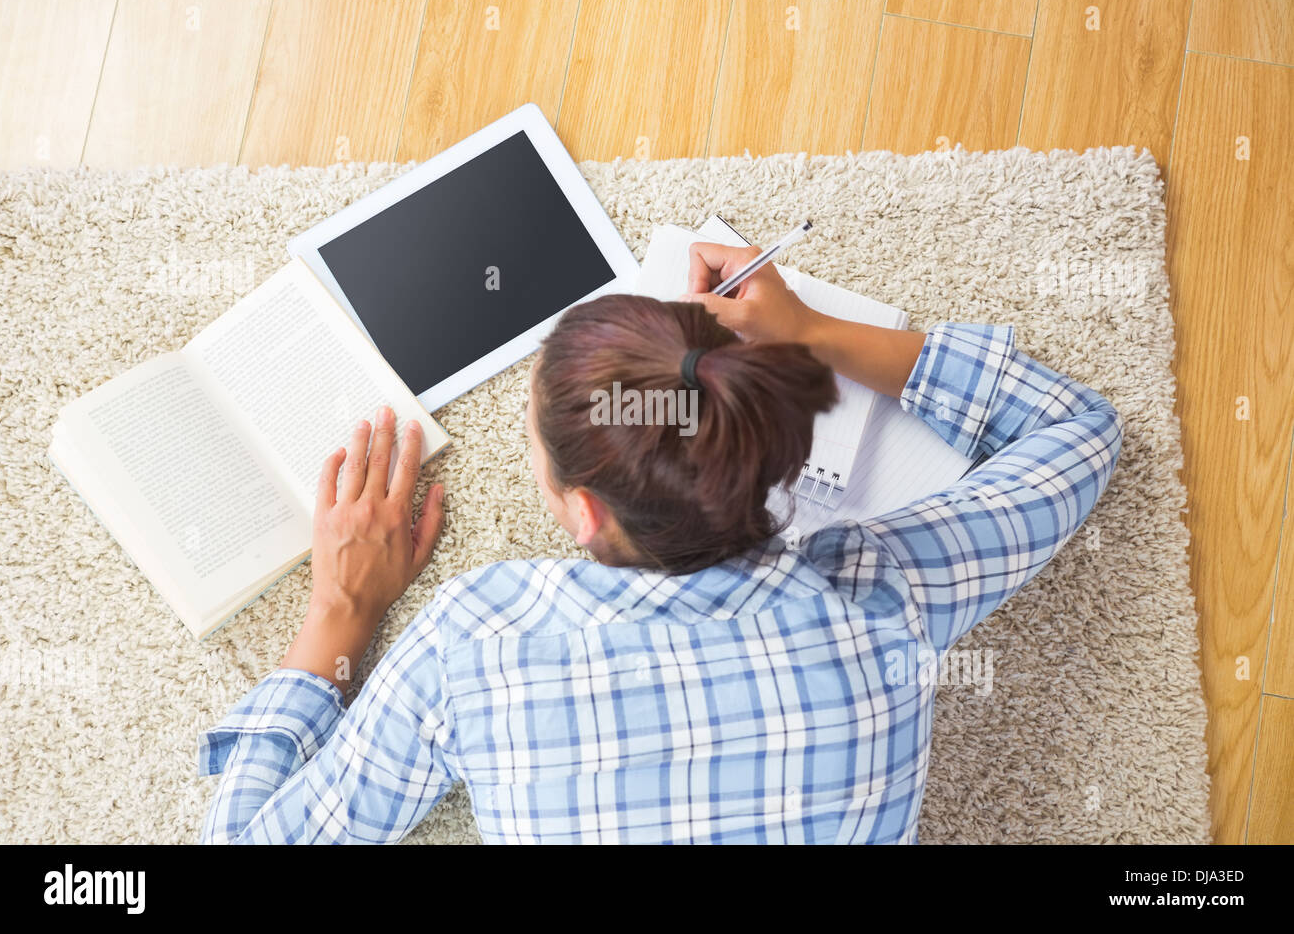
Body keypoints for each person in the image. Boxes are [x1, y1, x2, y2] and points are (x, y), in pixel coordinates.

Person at [197, 242, 1122, 843]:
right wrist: (808, 331)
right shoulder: (885, 595)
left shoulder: (483, 640)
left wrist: (340, 609)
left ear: (585, 513)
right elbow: (1076, 433)